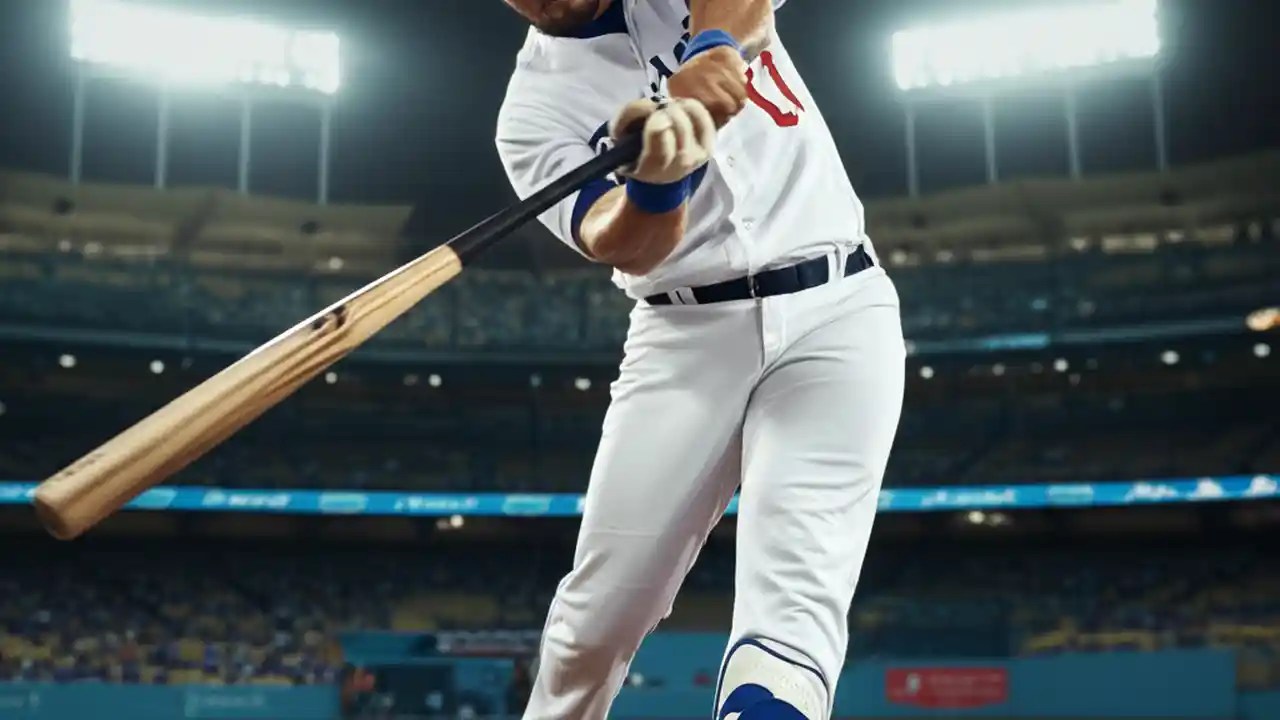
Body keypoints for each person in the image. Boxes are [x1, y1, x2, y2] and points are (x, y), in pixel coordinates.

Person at [495, 1, 906, 717]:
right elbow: (620, 241)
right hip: (683, 339)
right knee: (595, 623)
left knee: (793, 602)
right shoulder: (531, 113)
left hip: (837, 309)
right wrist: (659, 186)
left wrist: (712, 48)